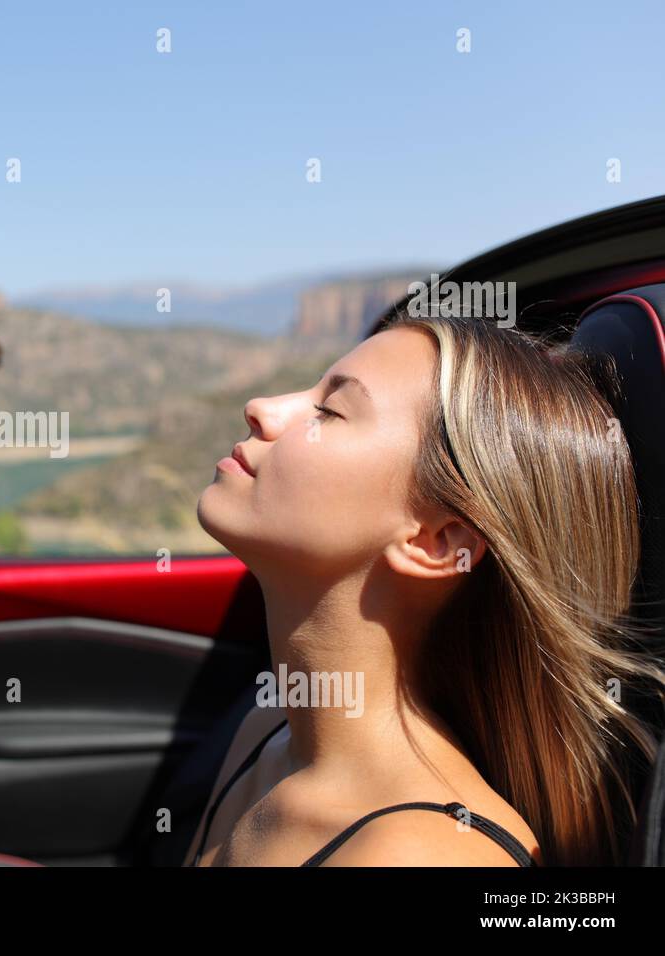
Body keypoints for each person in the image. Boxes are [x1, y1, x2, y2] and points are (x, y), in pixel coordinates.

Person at [186, 309, 665, 866]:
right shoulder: (268, 731)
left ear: (436, 541)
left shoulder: (425, 855)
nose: (261, 408)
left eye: (329, 411)